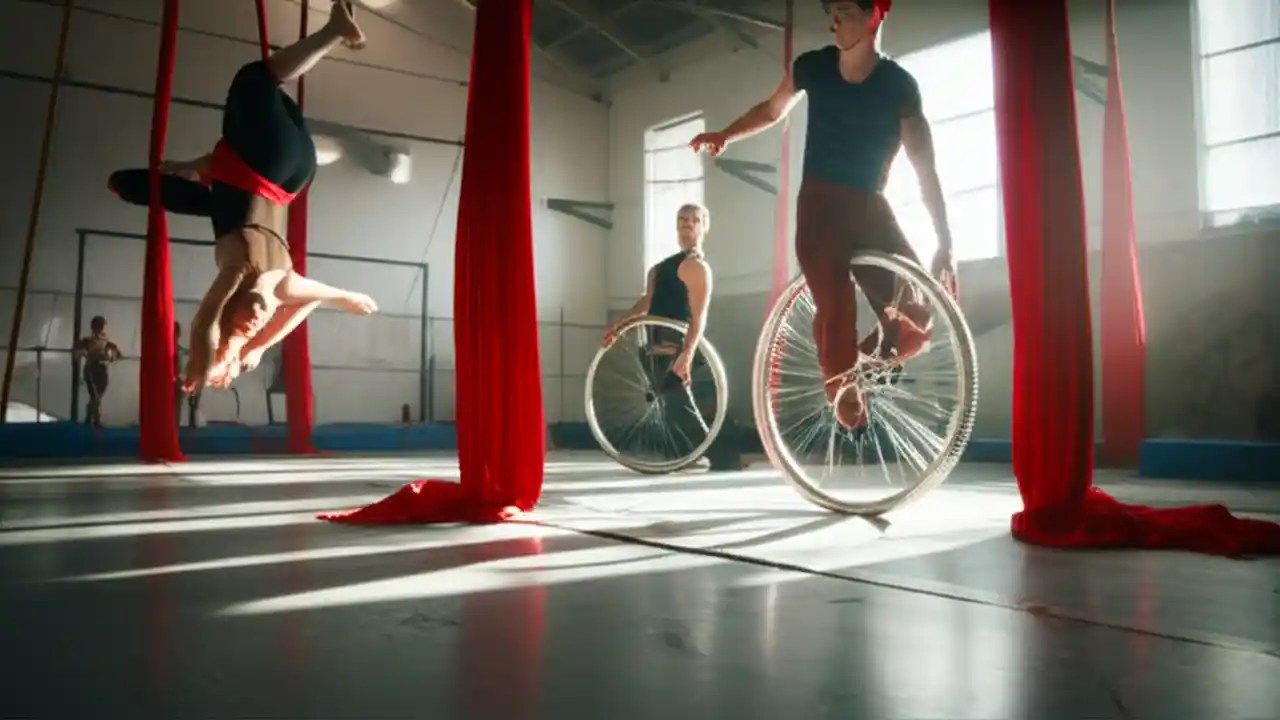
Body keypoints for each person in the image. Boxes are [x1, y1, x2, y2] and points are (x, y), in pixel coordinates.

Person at [690, 0, 954, 430]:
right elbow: (773, 109)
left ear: (873, 15)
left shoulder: (899, 86)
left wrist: (945, 241)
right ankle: (842, 383)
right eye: (830, 12)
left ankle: (863, 366)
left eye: (844, 11)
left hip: (870, 206)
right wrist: (726, 134)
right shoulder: (813, 67)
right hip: (820, 205)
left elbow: (924, 166)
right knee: (836, 306)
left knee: (917, 315)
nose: (832, 21)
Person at [108, 0, 377, 395]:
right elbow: (312, 302)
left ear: (230, 307)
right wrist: (252, 345)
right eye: (256, 322)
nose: (251, 320)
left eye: (237, 322)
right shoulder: (282, 286)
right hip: (284, 173)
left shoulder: (238, 271)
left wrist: (202, 364)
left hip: (267, 166)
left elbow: (204, 323)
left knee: (260, 97)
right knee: (255, 81)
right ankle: (333, 31)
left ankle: (178, 173)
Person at [603, 203, 715, 459]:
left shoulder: (697, 269)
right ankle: (688, 456)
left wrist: (687, 353)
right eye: (682, 219)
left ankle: (713, 455)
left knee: (680, 407)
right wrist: (619, 324)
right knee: (669, 408)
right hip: (652, 346)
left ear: (704, 226)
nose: (687, 223)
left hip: (674, 346)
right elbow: (646, 303)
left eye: (694, 220)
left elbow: (699, 316)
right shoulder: (659, 269)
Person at [73, 316, 123, 429]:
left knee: (98, 395)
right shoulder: (87, 340)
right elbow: (76, 348)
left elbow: (116, 351)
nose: (99, 328)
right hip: (91, 368)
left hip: (102, 368)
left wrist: (113, 356)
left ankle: (89, 416)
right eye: (97, 325)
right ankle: (97, 420)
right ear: (92, 327)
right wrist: (80, 352)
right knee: (95, 395)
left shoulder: (106, 340)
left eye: (101, 325)